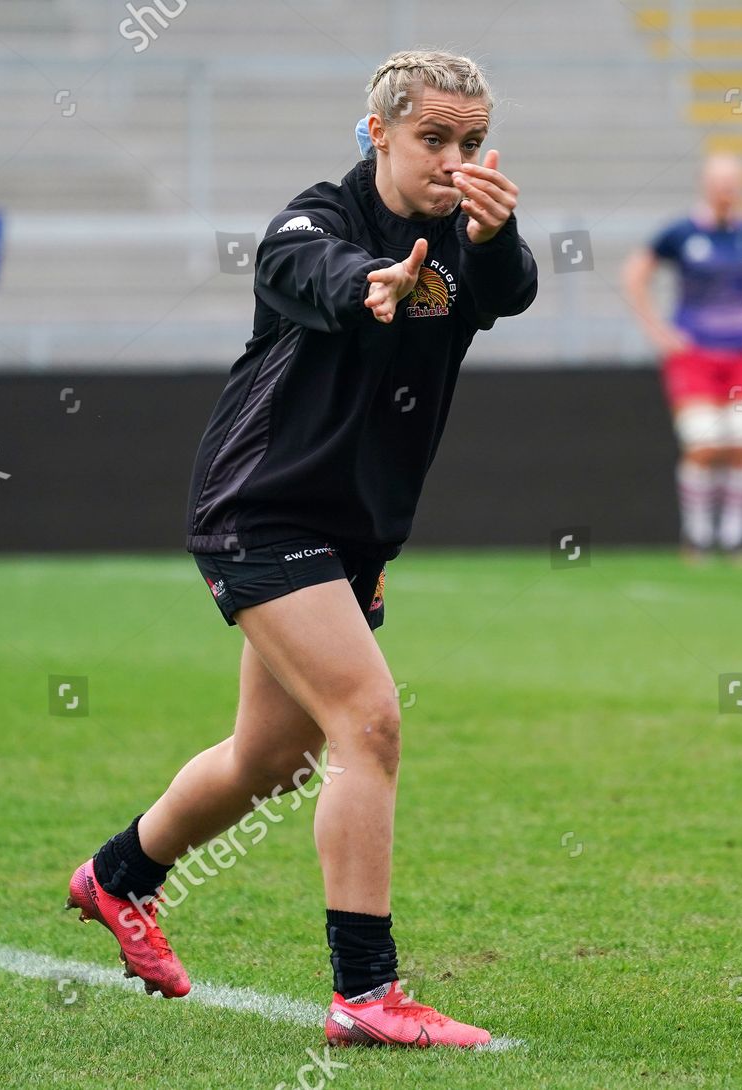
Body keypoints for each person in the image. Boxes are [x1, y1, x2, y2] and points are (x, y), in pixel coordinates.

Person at [63, 49, 536, 1049]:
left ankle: (118, 876)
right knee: (369, 721)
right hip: (262, 509)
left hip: (350, 533)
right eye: (434, 139)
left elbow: (511, 291)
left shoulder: (466, 234)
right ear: (379, 133)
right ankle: (366, 992)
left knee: (272, 759)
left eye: (472, 142)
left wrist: (496, 236)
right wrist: (369, 283)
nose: (455, 161)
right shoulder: (316, 218)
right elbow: (299, 266)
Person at [623, 154, 742, 563]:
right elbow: (635, 274)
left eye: (732, 183)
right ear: (705, 185)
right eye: (719, 183)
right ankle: (697, 535)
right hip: (694, 357)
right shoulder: (681, 232)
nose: (726, 191)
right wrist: (658, 332)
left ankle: (734, 537)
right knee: (703, 444)